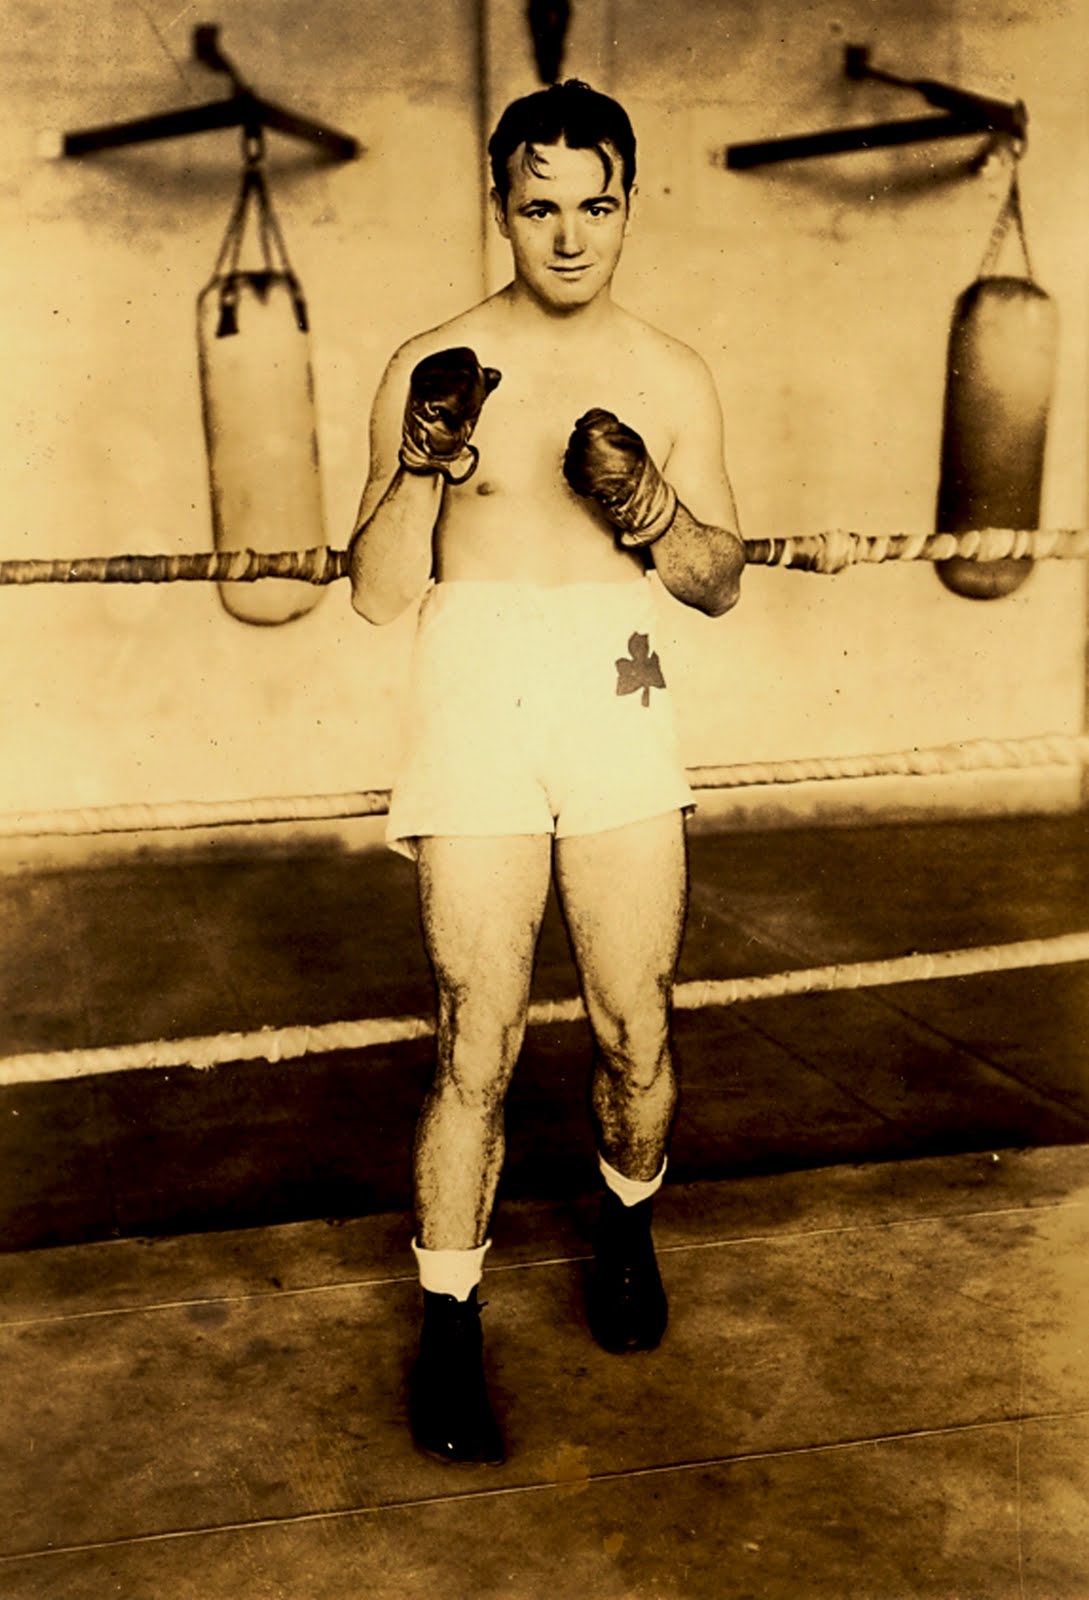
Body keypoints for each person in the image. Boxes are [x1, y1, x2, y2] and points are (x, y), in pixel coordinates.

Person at [347, 79, 745, 1466]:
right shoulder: (431, 361)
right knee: (477, 1031)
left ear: (627, 202)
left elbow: (717, 582)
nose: (568, 237)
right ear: (500, 208)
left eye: (594, 205)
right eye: (538, 207)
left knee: (634, 1019)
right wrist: (419, 469)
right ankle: (449, 1323)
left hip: (615, 694)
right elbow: (379, 595)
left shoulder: (673, 370)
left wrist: (649, 508)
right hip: (475, 698)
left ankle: (626, 1225)